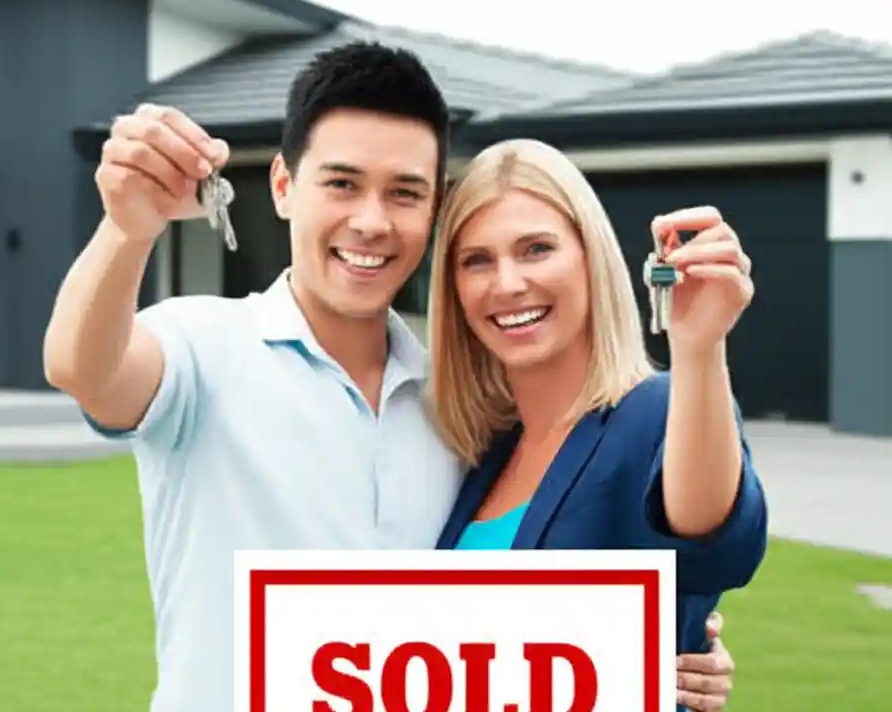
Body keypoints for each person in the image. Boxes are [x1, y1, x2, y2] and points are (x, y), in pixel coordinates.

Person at [44, 41, 737, 712]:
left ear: (433, 210)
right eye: (341, 184)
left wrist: (651, 649)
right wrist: (127, 231)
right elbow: (85, 368)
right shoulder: (201, 348)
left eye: (404, 193)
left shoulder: (464, 404)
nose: (371, 222)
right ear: (284, 186)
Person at [426, 138, 768, 711]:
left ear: (591, 258)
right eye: (476, 260)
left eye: (536, 249)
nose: (507, 283)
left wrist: (700, 349)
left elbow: (712, 544)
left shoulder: (654, 412)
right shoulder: (477, 454)